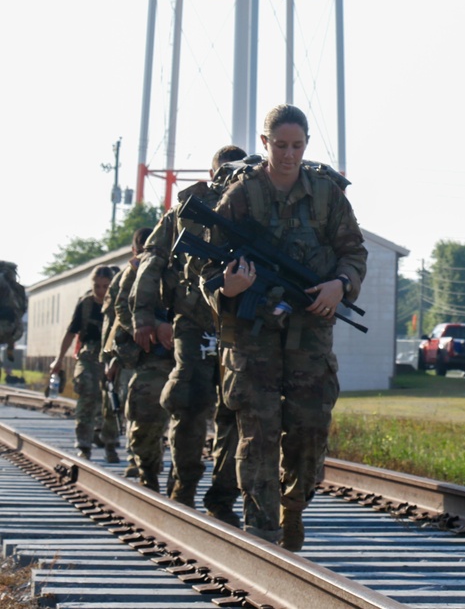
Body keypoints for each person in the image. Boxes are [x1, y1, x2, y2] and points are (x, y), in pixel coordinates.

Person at [205, 104, 367, 550]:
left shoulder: (327, 195)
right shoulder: (241, 195)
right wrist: (229, 289)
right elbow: (206, 269)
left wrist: (340, 285)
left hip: (309, 333)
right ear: (264, 144)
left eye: (297, 146)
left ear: (307, 145)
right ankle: (261, 529)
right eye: (280, 145)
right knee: (257, 433)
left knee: (309, 430)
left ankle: (293, 507)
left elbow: (354, 252)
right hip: (251, 336)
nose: (289, 154)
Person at [132, 144, 247, 526]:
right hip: (193, 323)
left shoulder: (255, 206)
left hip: (239, 325)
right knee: (190, 401)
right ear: (213, 173)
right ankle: (183, 490)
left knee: (236, 409)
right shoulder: (184, 213)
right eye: (224, 172)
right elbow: (152, 262)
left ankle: (222, 496)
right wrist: (145, 317)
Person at [118, 234, 176, 491]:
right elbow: (123, 308)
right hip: (156, 356)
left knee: (190, 430)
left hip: (199, 354)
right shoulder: (139, 269)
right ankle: (148, 477)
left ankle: (181, 488)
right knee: (144, 422)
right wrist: (156, 325)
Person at [51, 265, 119, 460]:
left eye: (105, 286)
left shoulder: (118, 304)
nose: (101, 290)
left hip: (111, 356)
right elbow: (71, 332)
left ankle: (110, 444)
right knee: (87, 398)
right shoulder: (86, 304)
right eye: (97, 286)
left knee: (111, 401)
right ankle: (84, 445)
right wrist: (58, 360)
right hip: (88, 356)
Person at [103, 229, 153, 477]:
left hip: (156, 349)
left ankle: (143, 457)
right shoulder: (124, 278)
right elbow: (113, 321)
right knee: (131, 405)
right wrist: (111, 357)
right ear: (135, 251)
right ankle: (134, 457)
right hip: (129, 352)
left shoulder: (162, 270)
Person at [0, 261, 27, 380]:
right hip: (13, 328)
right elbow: (23, 307)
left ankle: (10, 347)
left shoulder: (6, 285)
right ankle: (10, 347)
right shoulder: (18, 288)